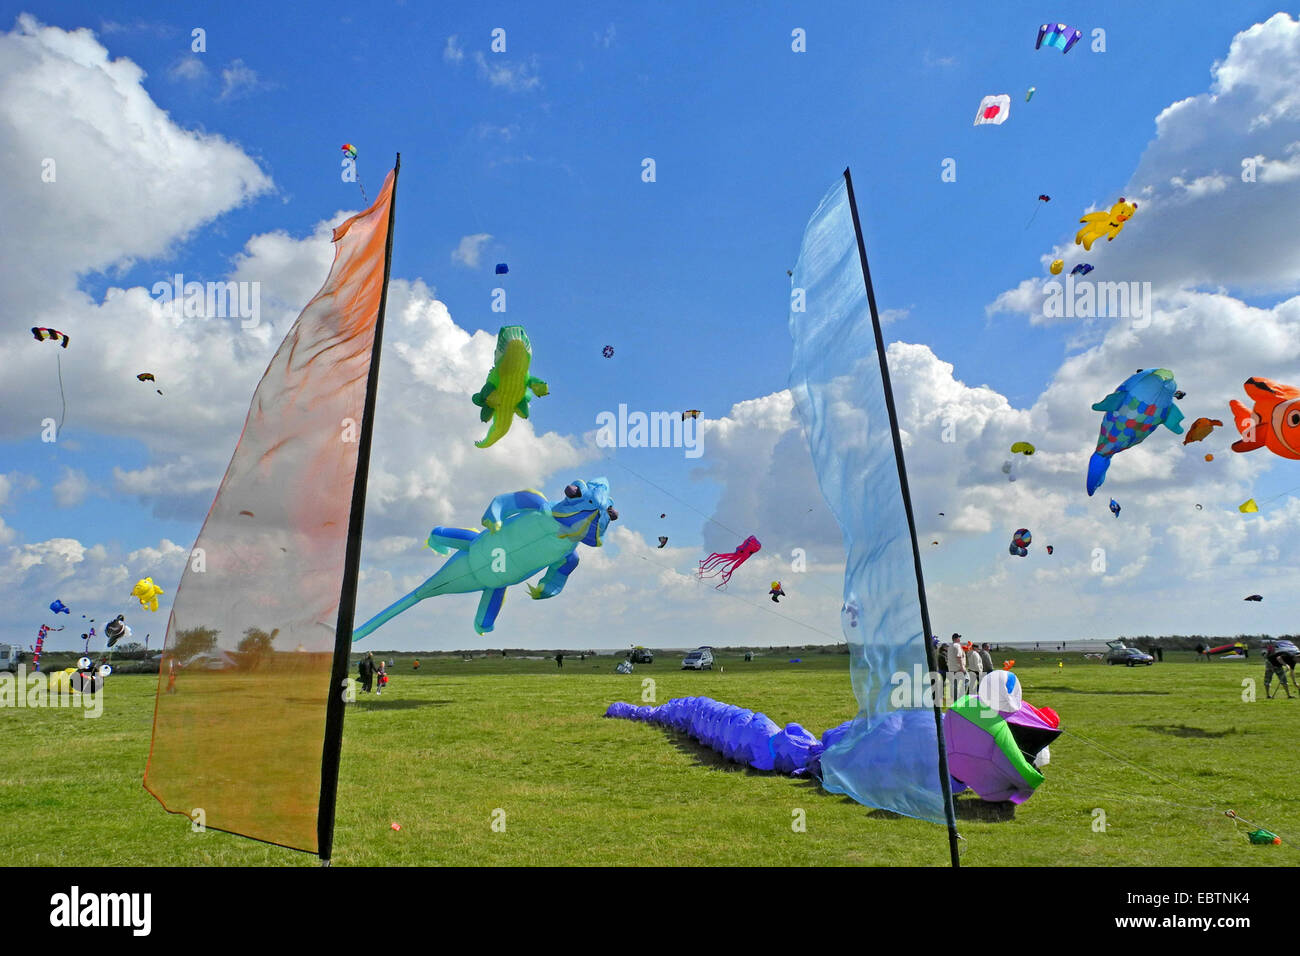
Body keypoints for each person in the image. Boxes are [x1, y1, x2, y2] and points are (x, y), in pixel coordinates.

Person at [945, 635, 966, 703]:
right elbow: (959, 657)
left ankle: (955, 700)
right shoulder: (957, 645)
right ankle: (960, 701)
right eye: (959, 637)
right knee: (963, 685)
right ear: (957, 638)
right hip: (958, 669)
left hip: (951, 669)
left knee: (954, 686)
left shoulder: (950, 646)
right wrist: (962, 667)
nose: (960, 639)